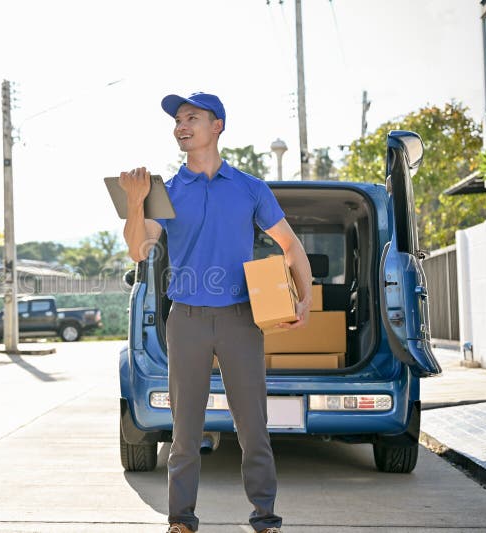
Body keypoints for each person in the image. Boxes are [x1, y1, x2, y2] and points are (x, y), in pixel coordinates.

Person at [118, 92, 313, 533]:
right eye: (177, 120)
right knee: (185, 433)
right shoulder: (164, 193)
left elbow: (290, 245)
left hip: (241, 319)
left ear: (217, 125)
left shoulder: (249, 188)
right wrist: (134, 200)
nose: (181, 126)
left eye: (191, 117)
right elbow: (137, 248)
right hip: (185, 319)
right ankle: (181, 520)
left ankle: (266, 519)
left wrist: (307, 296)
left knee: (253, 430)